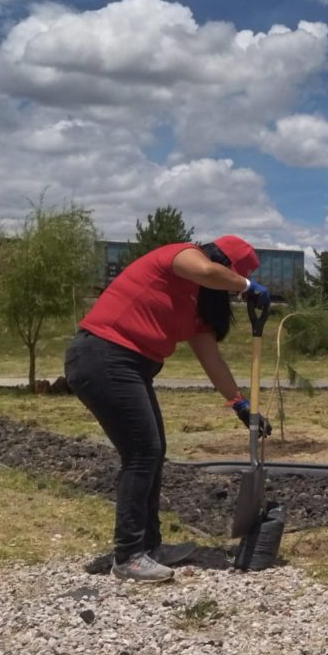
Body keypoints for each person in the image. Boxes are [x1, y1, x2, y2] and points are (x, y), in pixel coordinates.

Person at [65, 235, 271, 583]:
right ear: (222, 263)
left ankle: (148, 547)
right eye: (232, 280)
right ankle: (128, 555)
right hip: (103, 355)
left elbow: (212, 359)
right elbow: (206, 270)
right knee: (144, 453)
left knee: (151, 453)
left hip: (131, 367)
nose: (231, 291)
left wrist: (239, 403)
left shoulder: (196, 308)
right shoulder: (181, 256)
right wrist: (247, 285)